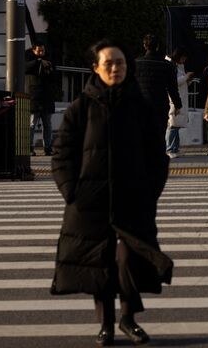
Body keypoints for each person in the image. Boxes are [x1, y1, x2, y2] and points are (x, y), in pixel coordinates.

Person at [51, 40, 171, 347]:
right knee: (99, 262)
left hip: (133, 199)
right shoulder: (81, 107)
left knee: (129, 259)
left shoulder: (140, 106)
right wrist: (72, 192)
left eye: (120, 63)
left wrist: (150, 192)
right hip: (90, 202)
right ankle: (105, 325)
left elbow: (158, 156)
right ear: (96, 68)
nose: (116, 68)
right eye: (109, 63)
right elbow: (62, 154)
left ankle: (128, 318)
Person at [134, 35, 180, 137]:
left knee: (141, 135)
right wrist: (178, 105)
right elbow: (173, 88)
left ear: (144, 46)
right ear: (157, 46)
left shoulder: (136, 63)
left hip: (140, 105)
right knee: (159, 136)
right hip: (160, 106)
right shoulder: (167, 65)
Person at [25, 40, 59, 156]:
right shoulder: (28, 59)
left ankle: (48, 147)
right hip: (33, 96)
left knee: (47, 124)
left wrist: (49, 69)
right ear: (34, 50)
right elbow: (24, 68)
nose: (41, 53)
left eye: (42, 50)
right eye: (39, 51)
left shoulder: (49, 59)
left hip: (47, 97)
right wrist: (38, 62)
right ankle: (29, 147)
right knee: (32, 124)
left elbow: (55, 76)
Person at [165, 48, 192, 159]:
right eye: (183, 58)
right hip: (174, 99)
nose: (184, 60)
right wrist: (186, 77)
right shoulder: (171, 66)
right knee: (172, 125)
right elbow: (173, 82)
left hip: (180, 98)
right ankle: (169, 149)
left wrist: (187, 80)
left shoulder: (179, 66)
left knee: (176, 125)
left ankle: (175, 148)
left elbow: (180, 82)